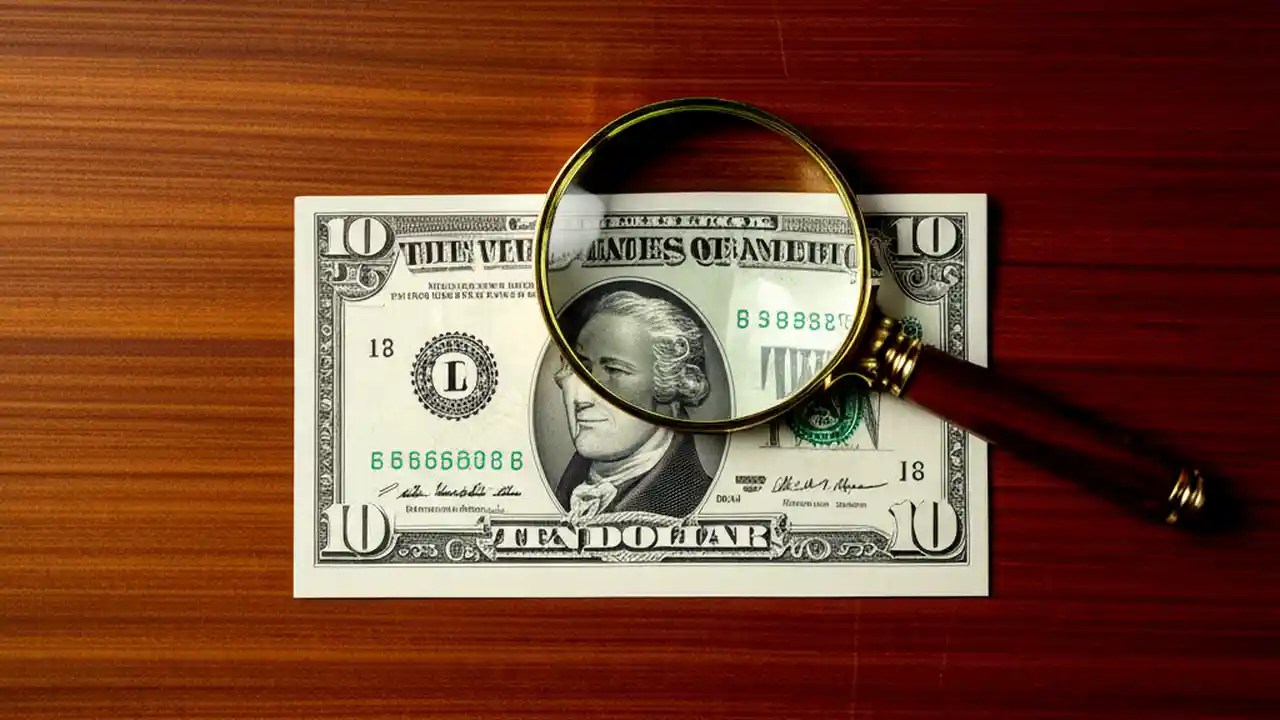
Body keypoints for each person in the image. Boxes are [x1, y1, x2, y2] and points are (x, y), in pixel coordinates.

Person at [553, 289, 713, 521]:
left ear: (667, 384)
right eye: (581, 368)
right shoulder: (565, 492)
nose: (581, 399)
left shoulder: (693, 500)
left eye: (614, 370)